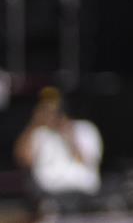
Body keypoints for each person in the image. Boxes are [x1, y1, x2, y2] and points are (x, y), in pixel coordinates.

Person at [14, 89, 106, 218]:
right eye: (47, 111)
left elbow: (87, 161)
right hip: (51, 192)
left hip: (83, 191)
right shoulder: (39, 133)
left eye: (55, 111)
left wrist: (67, 133)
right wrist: (34, 124)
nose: (52, 115)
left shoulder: (85, 128)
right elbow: (24, 160)